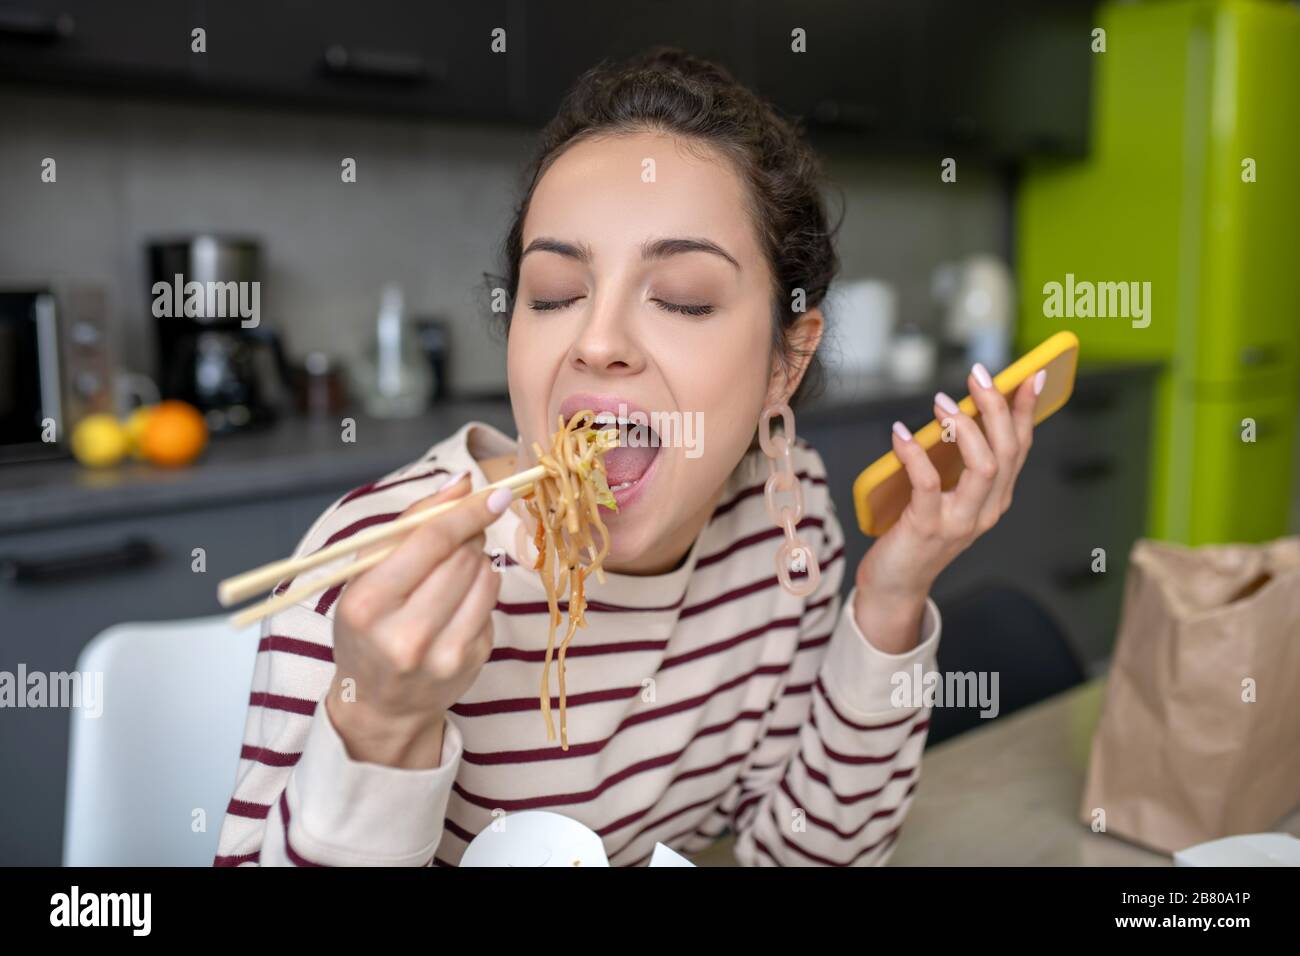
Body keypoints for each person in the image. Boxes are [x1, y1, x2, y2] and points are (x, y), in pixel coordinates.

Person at [214, 48, 1042, 867]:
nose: (597, 340)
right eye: (554, 295)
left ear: (785, 361)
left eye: (682, 298)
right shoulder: (375, 571)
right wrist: (380, 727)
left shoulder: (783, 519)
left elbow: (807, 854)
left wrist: (893, 592)